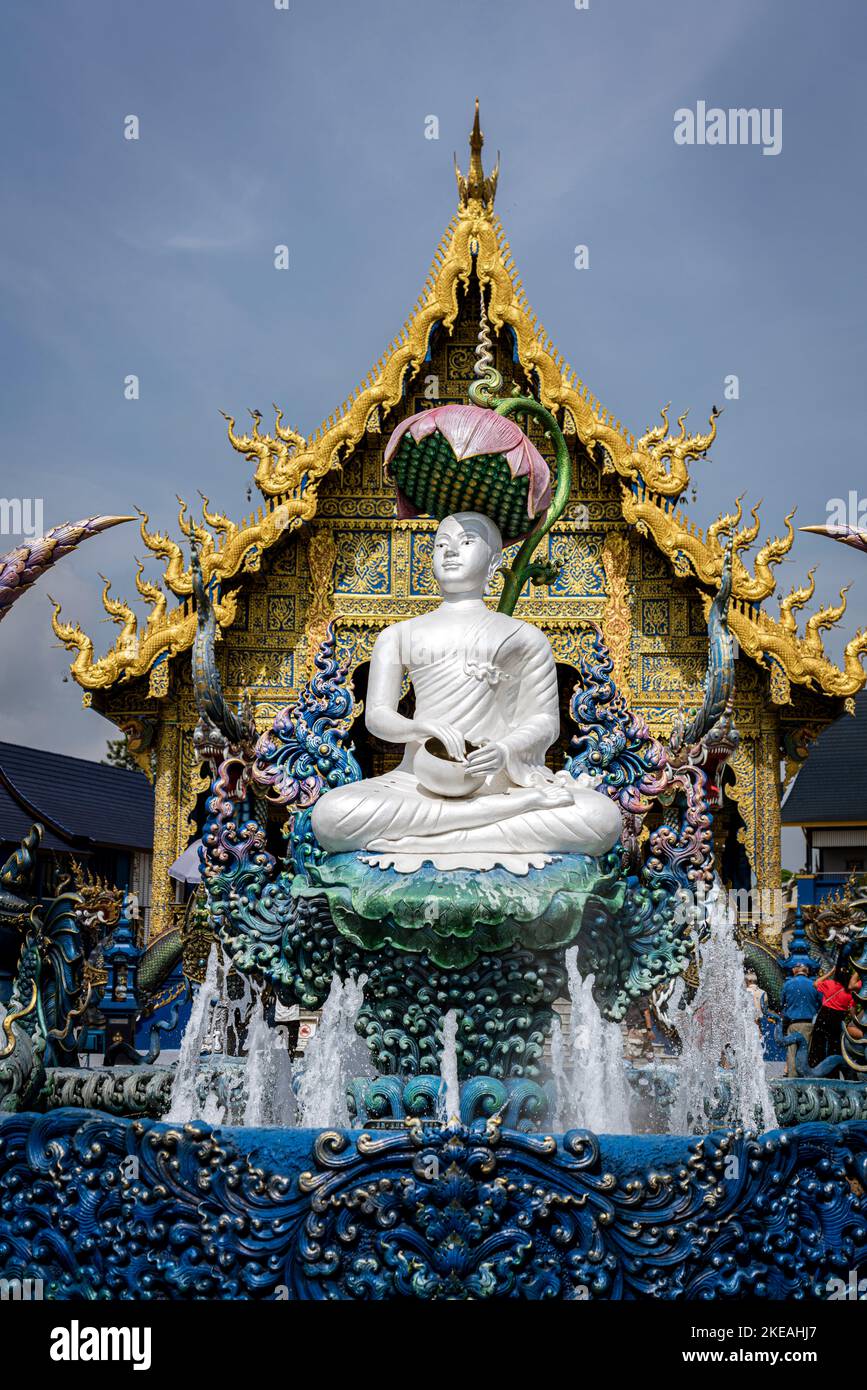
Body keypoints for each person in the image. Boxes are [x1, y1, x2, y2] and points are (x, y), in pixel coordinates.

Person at [311, 511, 622, 871]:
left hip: (496, 783)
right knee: (331, 815)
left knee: (601, 818)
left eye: (467, 542)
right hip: (417, 783)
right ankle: (491, 821)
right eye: (441, 544)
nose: (451, 552)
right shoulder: (399, 634)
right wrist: (420, 728)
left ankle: (436, 833)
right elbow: (378, 717)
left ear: (494, 563)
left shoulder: (525, 637)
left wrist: (504, 750)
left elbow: (543, 721)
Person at [808, 963, 860, 1069]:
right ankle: (833, 1071)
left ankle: (815, 1066)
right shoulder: (850, 992)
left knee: (818, 1042)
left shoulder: (830, 984)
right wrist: (855, 1020)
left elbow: (815, 983)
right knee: (834, 1044)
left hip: (824, 1014)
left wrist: (830, 972)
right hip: (838, 1017)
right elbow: (851, 1008)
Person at [780, 963, 820, 1077]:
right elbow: (820, 1004)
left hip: (793, 1024)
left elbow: (782, 1004)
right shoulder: (813, 985)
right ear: (807, 972)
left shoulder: (788, 984)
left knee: (792, 1053)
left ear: (794, 971)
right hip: (808, 1024)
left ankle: (792, 1081)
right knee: (806, 1052)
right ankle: (805, 1081)